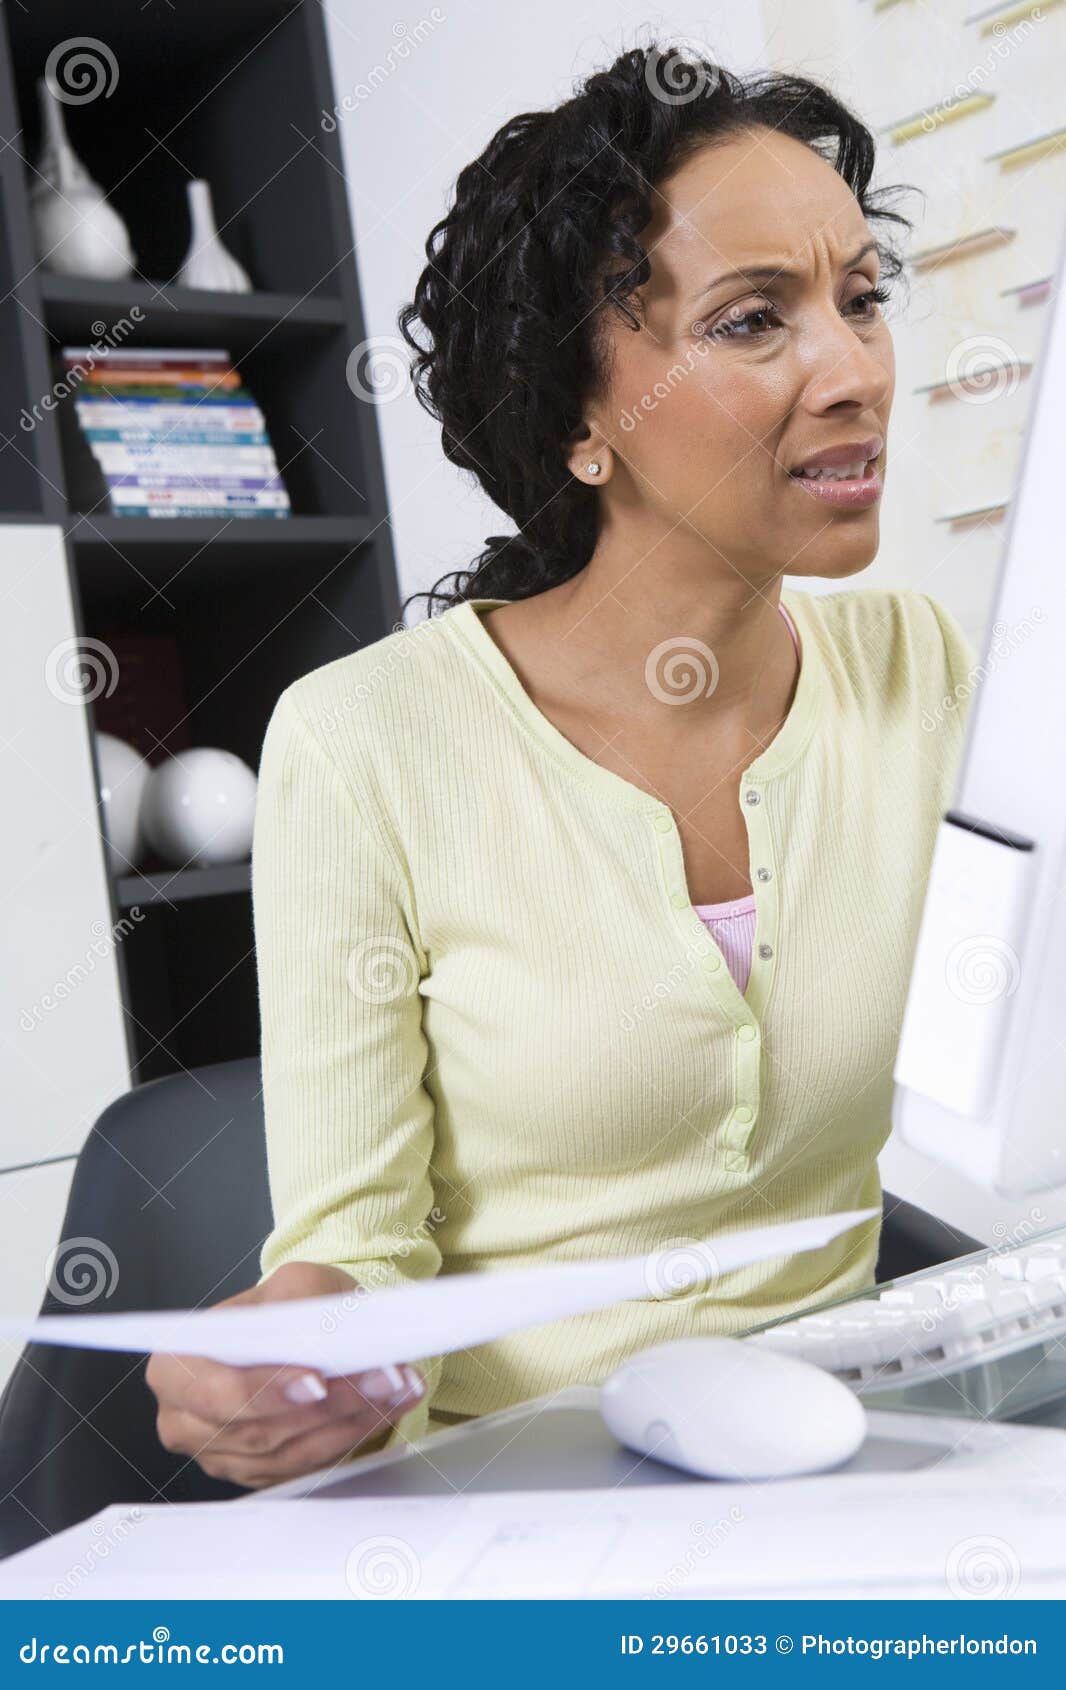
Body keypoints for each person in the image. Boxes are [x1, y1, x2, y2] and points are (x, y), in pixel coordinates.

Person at [147, 43, 977, 1488]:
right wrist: (286, 1360)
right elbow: (352, 1245)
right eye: (752, 320)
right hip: (512, 1507)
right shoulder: (366, 740)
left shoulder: (925, 674)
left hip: (858, 1475)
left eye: (858, 300)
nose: (853, 374)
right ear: (584, 416)